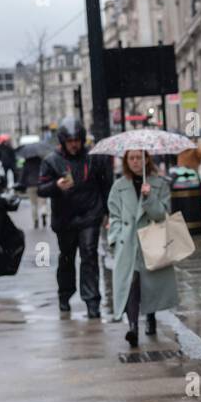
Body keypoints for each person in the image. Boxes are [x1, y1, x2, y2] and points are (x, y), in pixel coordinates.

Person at [38, 116, 112, 318]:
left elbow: (105, 185)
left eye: (77, 140)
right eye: (70, 141)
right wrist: (56, 186)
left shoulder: (94, 157)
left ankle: (92, 301)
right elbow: (41, 189)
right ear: (63, 141)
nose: (74, 145)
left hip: (90, 214)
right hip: (65, 218)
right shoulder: (51, 161)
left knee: (89, 255)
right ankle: (65, 294)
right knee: (67, 258)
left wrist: (107, 211)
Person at [108, 149, 179, 346]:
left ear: (146, 159)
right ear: (126, 161)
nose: (135, 162)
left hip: (151, 241)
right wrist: (114, 238)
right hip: (128, 242)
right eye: (131, 158)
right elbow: (114, 215)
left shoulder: (159, 185)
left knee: (150, 283)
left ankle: (150, 317)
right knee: (132, 283)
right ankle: (132, 327)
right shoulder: (119, 187)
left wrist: (149, 199)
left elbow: (163, 215)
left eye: (139, 157)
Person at [20, 148, 48, 228]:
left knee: (33, 204)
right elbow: (45, 172)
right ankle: (43, 213)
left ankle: (35, 220)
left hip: (30, 185)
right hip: (41, 184)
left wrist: (22, 185)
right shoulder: (41, 161)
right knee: (43, 202)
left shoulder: (26, 163)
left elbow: (23, 176)